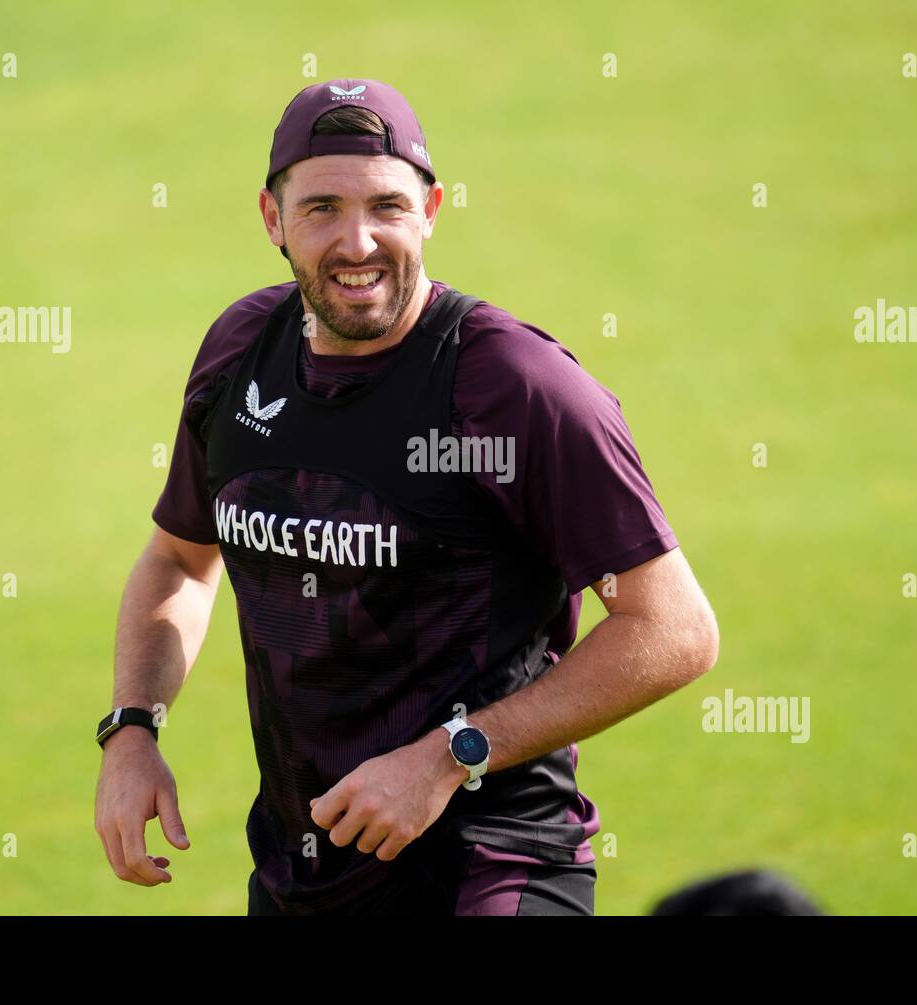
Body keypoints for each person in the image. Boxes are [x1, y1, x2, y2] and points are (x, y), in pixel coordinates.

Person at [93, 78, 720, 916]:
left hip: (490, 870)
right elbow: (179, 558)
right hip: (300, 873)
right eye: (321, 208)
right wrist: (134, 726)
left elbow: (674, 628)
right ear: (272, 220)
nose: (359, 242)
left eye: (387, 205)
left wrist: (447, 754)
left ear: (430, 209)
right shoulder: (241, 351)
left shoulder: (513, 386)